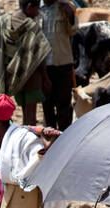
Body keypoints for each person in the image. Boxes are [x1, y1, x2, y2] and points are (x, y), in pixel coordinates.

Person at [0, 0, 51, 125]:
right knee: (30, 115)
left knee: (22, 111)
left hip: (13, 76)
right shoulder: (31, 26)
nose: (38, 13)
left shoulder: (3, 22)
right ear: (29, 6)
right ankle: (29, 139)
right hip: (32, 77)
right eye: (37, 9)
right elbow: (40, 55)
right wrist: (46, 78)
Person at [39, 0, 76, 130]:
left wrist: (71, 16)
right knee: (47, 105)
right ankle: (51, 141)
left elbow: (73, 31)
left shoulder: (65, 8)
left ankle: (65, 137)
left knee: (64, 106)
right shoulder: (36, 8)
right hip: (44, 67)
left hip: (63, 64)